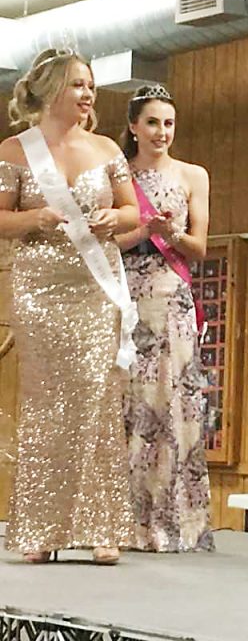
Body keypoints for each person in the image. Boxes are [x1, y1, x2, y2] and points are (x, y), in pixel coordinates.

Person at [0, 48, 140, 564]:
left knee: (97, 398)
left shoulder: (105, 147)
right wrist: (31, 221)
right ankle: (38, 528)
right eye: (79, 84)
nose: (88, 94)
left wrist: (113, 218)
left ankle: (103, 527)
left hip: (94, 287)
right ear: (52, 88)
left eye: (91, 84)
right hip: (40, 287)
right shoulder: (14, 151)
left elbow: (133, 212)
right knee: (46, 403)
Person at [114, 83, 214, 553]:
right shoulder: (115, 174)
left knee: (171, 403)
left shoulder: (193, 174)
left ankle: (174, 522)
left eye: (169, 123)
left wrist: (170, 231)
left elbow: (199, 247)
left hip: (171, 297)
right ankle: (123, 523)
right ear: (134, 126)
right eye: (152, 122)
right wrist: (142, 230)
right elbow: (106, 242)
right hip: (125, 295)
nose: (162, 132)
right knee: (129, 404)